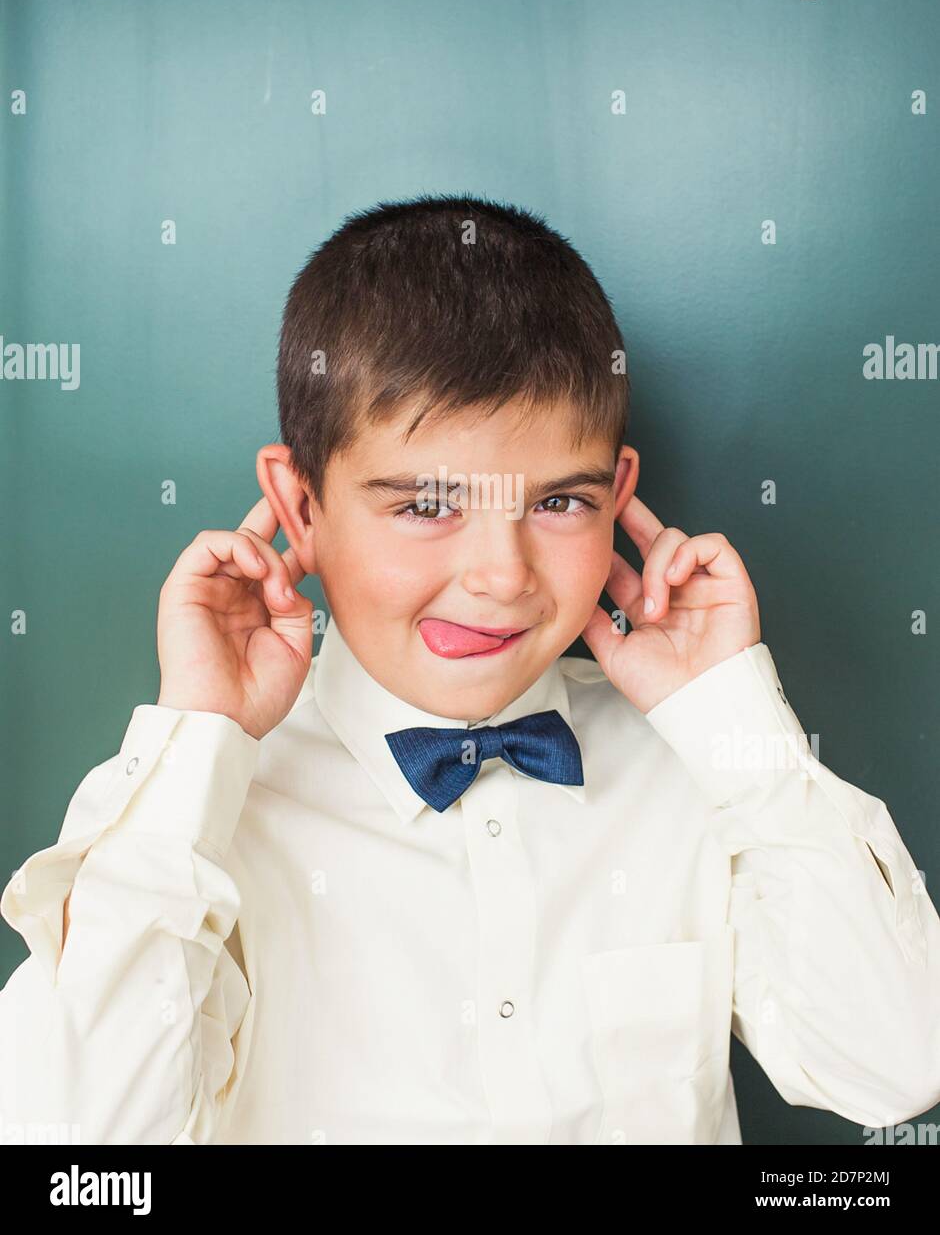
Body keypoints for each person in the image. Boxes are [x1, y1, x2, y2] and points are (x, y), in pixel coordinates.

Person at [2, 194, 938, 1145]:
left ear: (619, 498)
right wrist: (199, 738)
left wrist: (735, 721)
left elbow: (897, 1066)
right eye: (423, 507)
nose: (501, 578)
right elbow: (80, 1155)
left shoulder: (697, 772)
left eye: (561, 503)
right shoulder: (191, 817)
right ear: (301, 506)